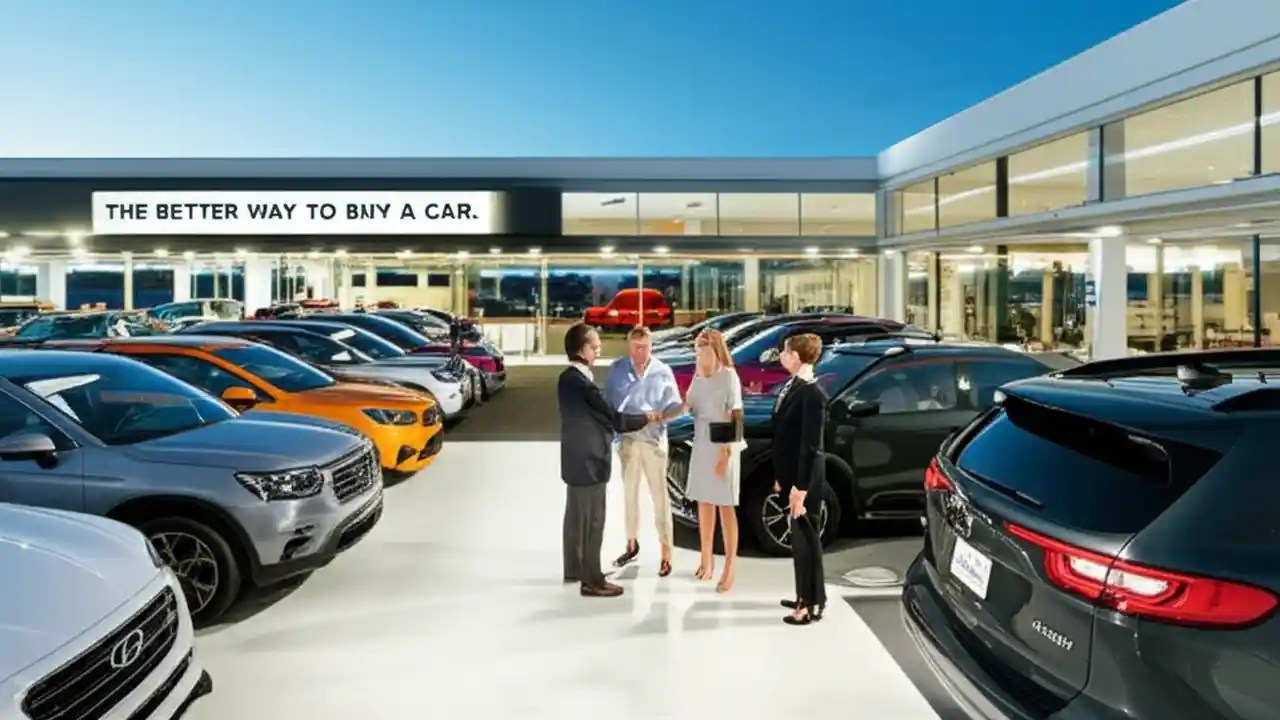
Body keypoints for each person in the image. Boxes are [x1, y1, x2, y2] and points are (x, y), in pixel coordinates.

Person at [558, 323, 656, 598]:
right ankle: (592, 580)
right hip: (590, 462)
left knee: (575, 519)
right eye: (594, 346)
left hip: (575, 460)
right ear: (581, 350)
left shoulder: (567, 379)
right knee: (593, 521)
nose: (598, 350)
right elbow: (615, 419)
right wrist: (647, 418)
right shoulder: (583, 385)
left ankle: (575, 569)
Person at [603, 325, 684, 576]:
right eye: (636, 347)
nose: (640, 352)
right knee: (630, 495)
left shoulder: (662, 371)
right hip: (628, 441)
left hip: (653, 441)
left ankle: (666, 552)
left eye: (645, 348)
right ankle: (631, 543)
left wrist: (661, 417)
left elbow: (675, 406)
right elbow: (608, 406)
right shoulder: (617, 370)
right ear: (629, 346)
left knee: (660, 497)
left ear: (651, 346)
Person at [772, 333, 828, 625]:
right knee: (800, 539)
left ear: (797, 356)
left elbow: (811, 446)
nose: (781, 356)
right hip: (791, 476)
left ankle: (809, 604)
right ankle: (805, 595)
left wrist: (801, 488)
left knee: (806, 541)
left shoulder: (812, 395)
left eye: (785, 352)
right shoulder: (796, 385)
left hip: (804, 480)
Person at [683, 328, 744, 593]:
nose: (698, 353)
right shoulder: (699, 376)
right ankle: (706, 558)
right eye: (697, 348)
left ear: (714, 348)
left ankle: (730, 566)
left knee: (725, 505)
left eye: (703, 348)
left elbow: (737, 415)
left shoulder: (729, 376)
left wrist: (726, 452)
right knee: (704, 502)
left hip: (723, 445)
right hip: (702, 444)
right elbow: (690, 404)